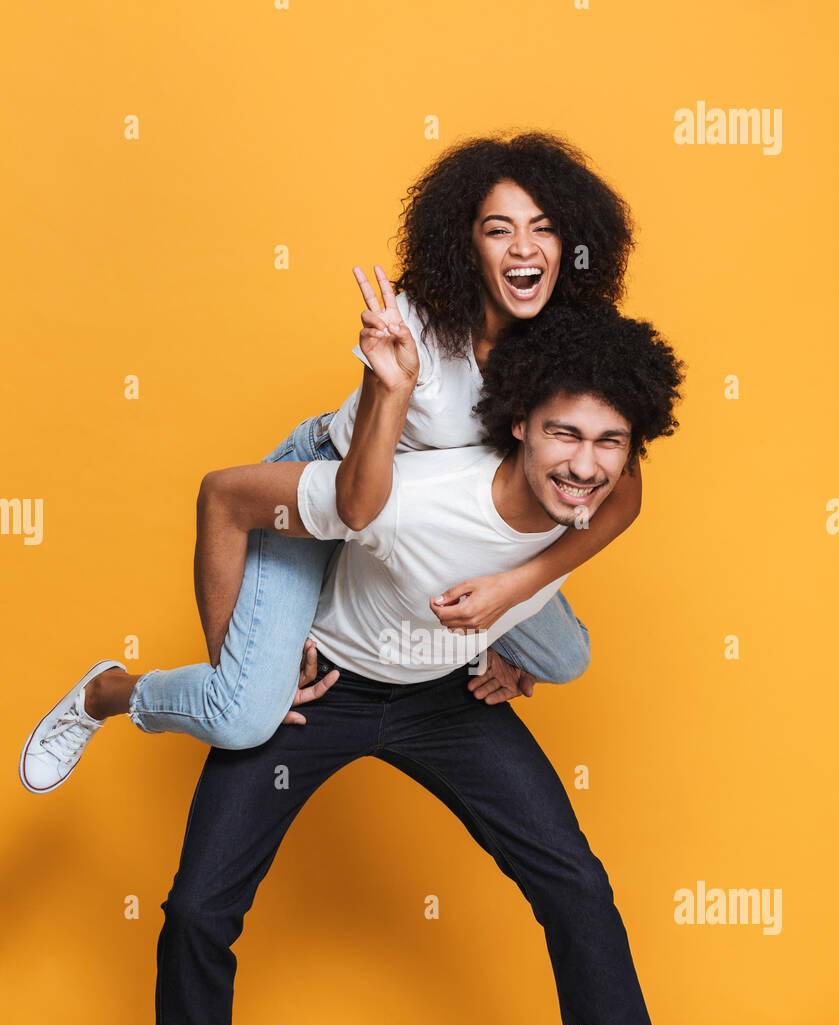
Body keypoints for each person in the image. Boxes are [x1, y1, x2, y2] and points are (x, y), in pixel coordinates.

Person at [109, 297, 750, 1025]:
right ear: (521, 424)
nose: (586, 462)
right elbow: (226, 499)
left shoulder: (602, 491)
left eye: (610, 441)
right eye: (565, 434)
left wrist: (510, 614)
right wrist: (247, 663)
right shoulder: (410, 494)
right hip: (326, 687)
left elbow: (618, 500)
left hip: (448, 698)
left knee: (575, 887)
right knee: (200, 908)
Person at [20, 132, 643, 791]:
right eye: (499, 230)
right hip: (336, 486)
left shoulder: (571, 339)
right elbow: (355, 505)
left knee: (565, 656)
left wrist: (512, 591)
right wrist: (246, 671)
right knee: (243, 715)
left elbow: (625, 493)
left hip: (430, 520)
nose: (524, 248)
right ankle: (107, 693)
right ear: (468, 245)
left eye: (544, 229)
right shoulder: (415, 333)